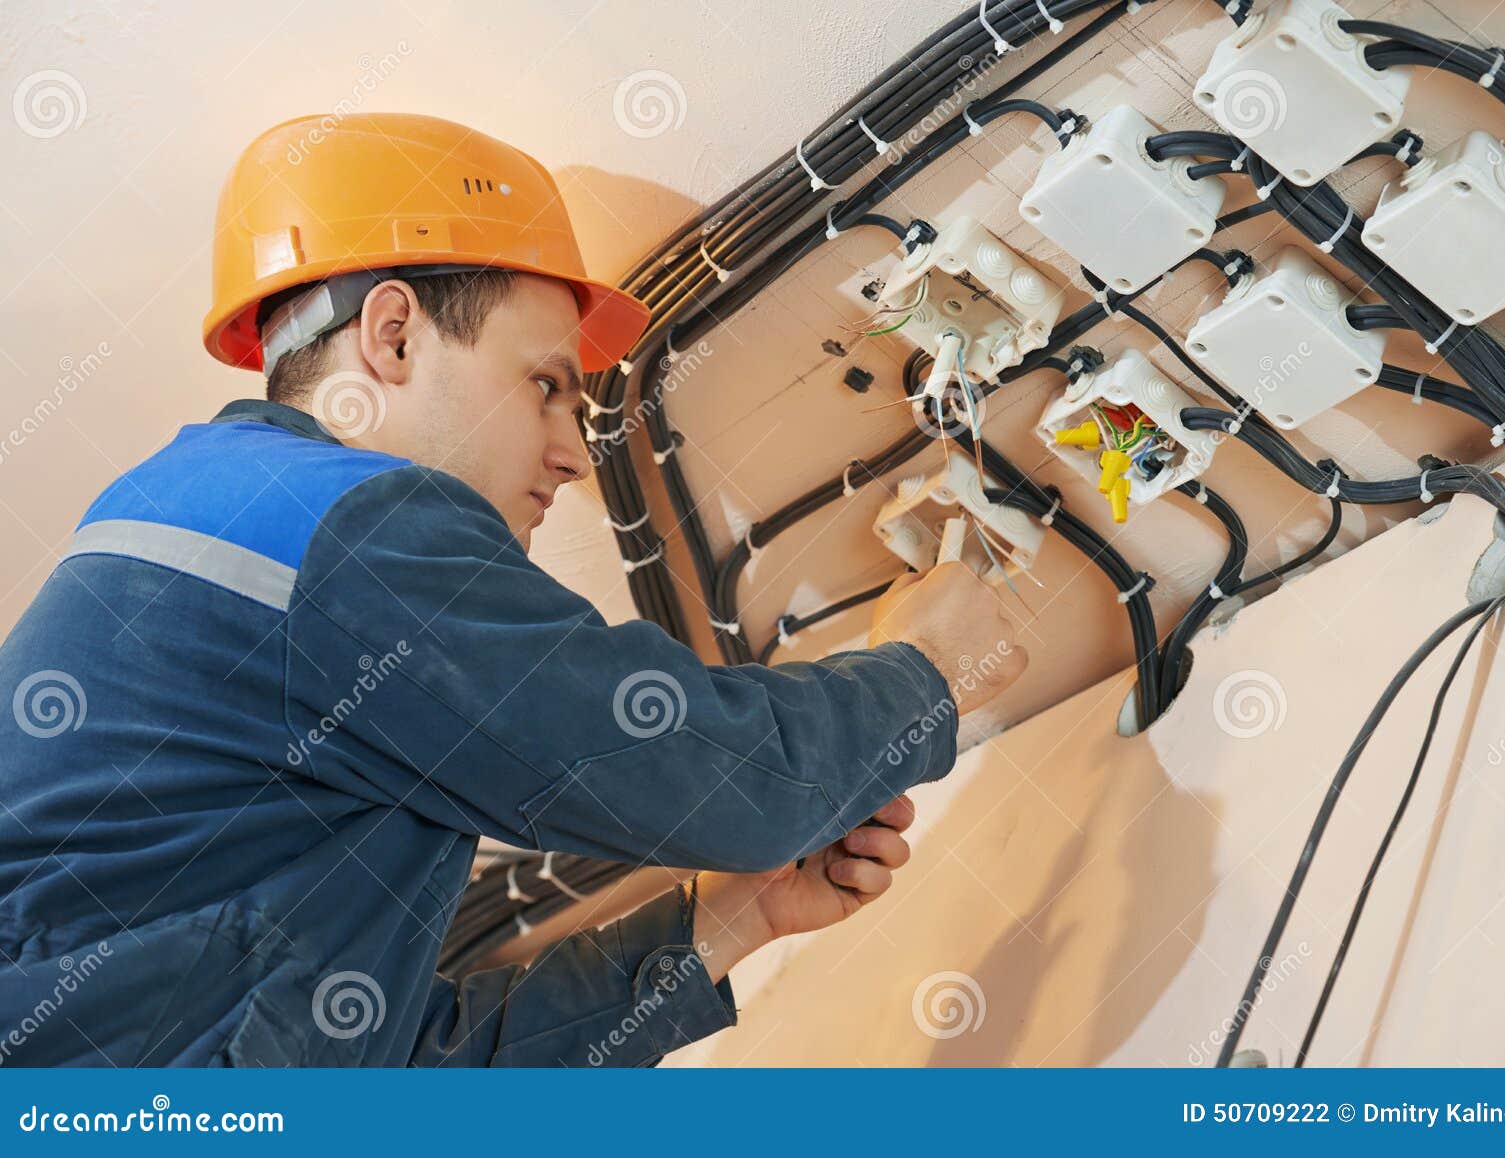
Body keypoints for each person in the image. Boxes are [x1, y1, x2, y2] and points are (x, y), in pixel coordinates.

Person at [0, 113, 1026, 1066]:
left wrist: (728, 922)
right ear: (393, 336)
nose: (574, 454)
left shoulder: (201, 522)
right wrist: (927, 667)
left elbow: (398, 1069)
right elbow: (711, 779)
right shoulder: (335, 525)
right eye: (544, 385)